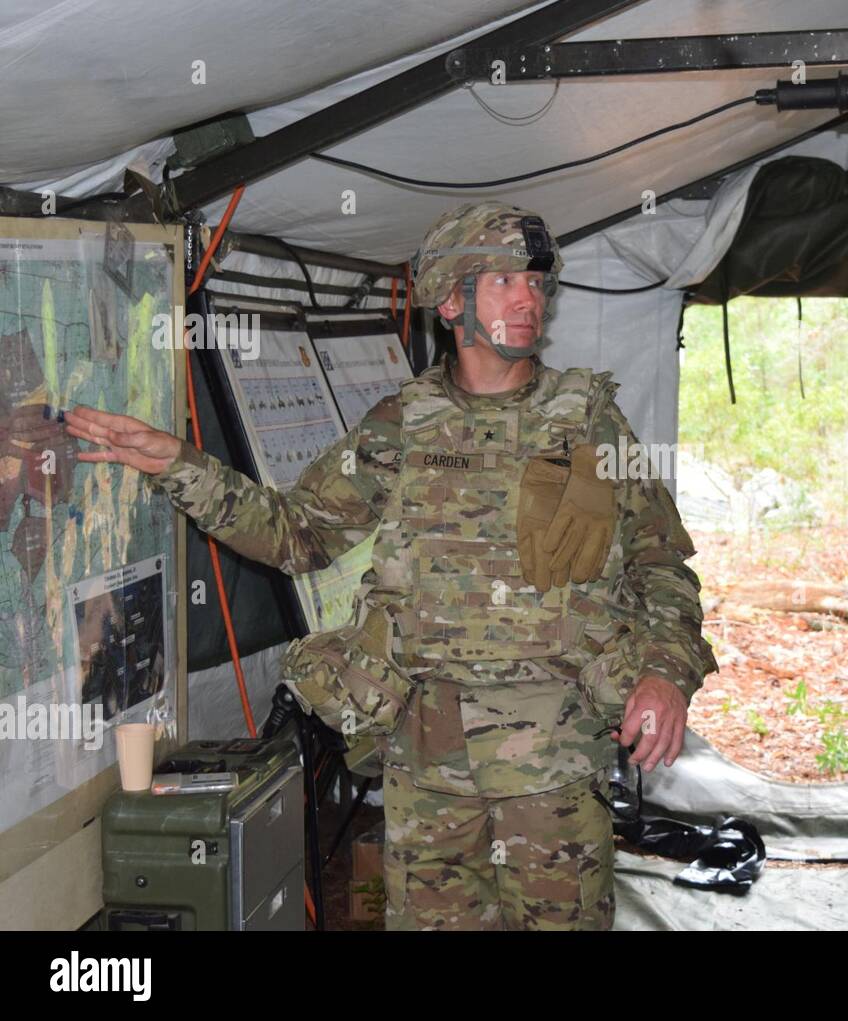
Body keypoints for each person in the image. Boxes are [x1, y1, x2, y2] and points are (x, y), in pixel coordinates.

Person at [65, 201, 716, 931]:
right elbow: (293, 533)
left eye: (536, 282)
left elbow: (663, 563)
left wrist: (665, 670)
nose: (528, 298)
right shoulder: (401, 425)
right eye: (502, 282)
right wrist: (177, 463)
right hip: (426, 761)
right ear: (451, 300)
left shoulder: (591, 422)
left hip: (556, 761)